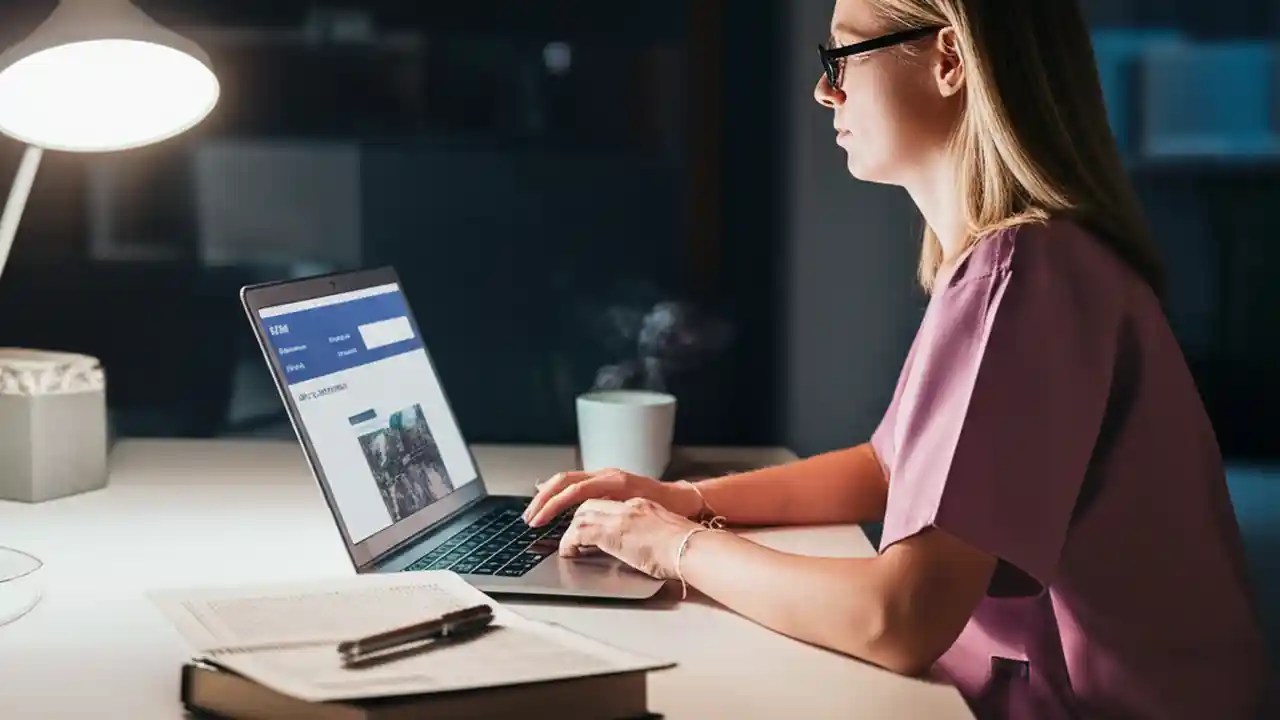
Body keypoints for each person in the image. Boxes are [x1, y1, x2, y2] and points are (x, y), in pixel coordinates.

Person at [522, 0, 1273, 717]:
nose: (825, 90)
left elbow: (901, 617)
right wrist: (685, 499)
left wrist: (671, 546)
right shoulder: (1025, 258)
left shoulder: (1023, 272)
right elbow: (893, 467)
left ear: (949, 58)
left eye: (843, 53)